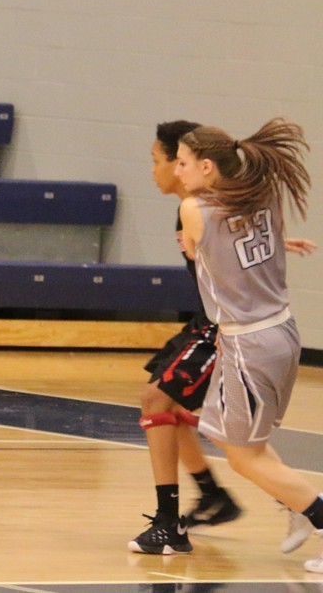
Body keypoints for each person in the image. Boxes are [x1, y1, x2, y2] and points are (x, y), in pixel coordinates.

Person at [173, 119, 321, 567]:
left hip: (249, 343)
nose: (177, 172)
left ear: (205, 166)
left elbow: (196, 253)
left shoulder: (194, 208)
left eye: (182, 163)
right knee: (232, 439)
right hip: (279, 330)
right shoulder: (264, 194)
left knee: (242, 458)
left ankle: (315, 510)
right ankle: (297, 505)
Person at [129, 120, 240, 554]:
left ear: (182, 164)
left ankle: (169, 523)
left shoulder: (201, 206)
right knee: (165, 399)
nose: (154, 170)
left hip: (224, 325)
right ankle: (209, 494)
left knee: (159, 401)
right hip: (206, 320)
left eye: (158, 161)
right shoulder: (194, 206)